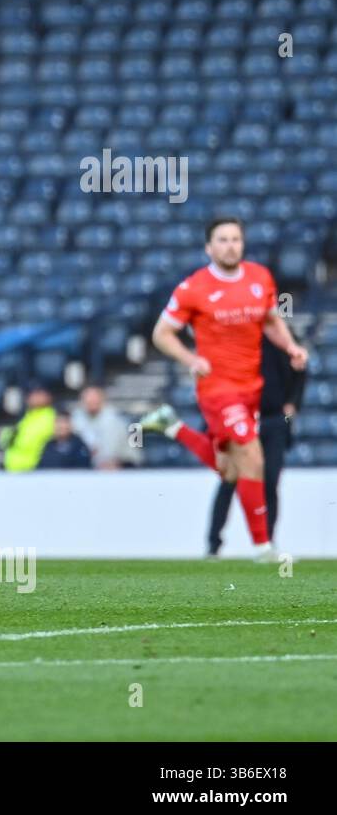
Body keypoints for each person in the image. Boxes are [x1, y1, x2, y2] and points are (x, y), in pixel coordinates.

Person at [142, 217, 307, 562]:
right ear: (209, 247)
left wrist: (290, 346)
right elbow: (162, 333)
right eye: (222, 239)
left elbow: (271, 320)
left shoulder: (260, 278)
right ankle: (263, 547)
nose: (230, 245)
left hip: (251, 389)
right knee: (253, 455)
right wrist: (190, 359)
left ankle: (172, 426)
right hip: (218, 389)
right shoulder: (194, 288)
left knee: (230, 469)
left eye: (236, 239)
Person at [205, 334, 307, 557]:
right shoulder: (235, 334)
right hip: (241, 418)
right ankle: (213, 544)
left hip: (273, 420)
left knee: (270, 480)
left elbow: (300, 368)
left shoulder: (281, 335)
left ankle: (266, 543)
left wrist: (293, 403)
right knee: (230, 480)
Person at [70, 385, 138, 469]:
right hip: (86, 467)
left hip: (121, 466)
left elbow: (112, 451)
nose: (91, 401)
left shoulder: (115, 419)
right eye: (88, 399)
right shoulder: (76, 418)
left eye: (94, 399)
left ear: (102, 399)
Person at [1, 387, 54, 471]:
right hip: (12, 467)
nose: (32, 397)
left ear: (48, 396)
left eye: (37, 393)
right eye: (31, 394)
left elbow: (29, 441)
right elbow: (4, 440)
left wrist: (15, 438)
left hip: (32, 468)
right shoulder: (27, 415)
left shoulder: (50, 416)